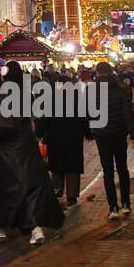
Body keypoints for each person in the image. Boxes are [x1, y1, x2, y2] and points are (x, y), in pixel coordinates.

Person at [0, 61, 64, 245]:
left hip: (0, 149)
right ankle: (35, 228)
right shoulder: (25, 92)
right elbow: (35, 114)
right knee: (30, 186)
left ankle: (1, 225)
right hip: (24, 146)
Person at [92, 62, 134, 219]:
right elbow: (128, 114)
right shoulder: (120, 91)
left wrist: (91, 131)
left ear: (98, 73)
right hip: (119, 134)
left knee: (107, 171)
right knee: (122, 168)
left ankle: (113, 207)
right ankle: (126, 204)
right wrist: (133, 136)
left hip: (102, 135)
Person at [36, 75, 89, 206]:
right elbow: (85, 118)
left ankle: (57, 190)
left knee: (56, 165)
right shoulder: (78, 99)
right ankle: (71, 195)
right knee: (73, 166)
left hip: (55, 138)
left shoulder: (50, 99)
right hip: (74, 138)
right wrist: (88, 133)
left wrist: (39, 134)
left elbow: (43, 120)